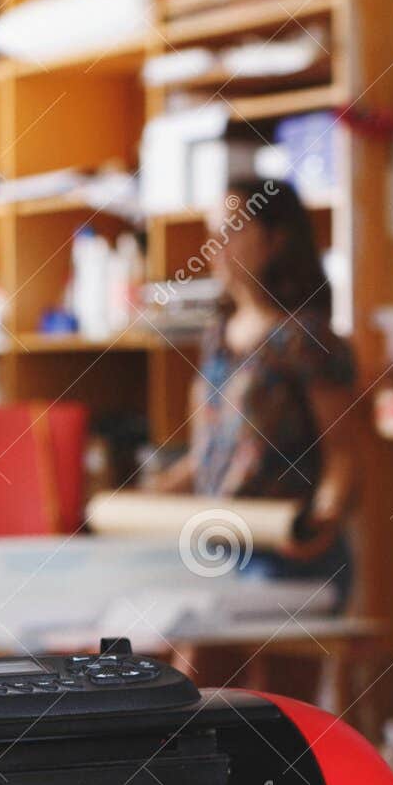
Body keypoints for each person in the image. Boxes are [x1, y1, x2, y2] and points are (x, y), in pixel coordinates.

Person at [151, 177, 358, 594]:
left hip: (285, 554)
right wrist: (140, 497)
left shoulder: (306, 338)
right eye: (212, 232)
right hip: (216, 549)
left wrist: (323, 520)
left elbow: (345, 452)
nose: (215, 246)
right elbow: (208, 457)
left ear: (276, 239)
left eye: (231, 230)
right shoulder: (217, 337)